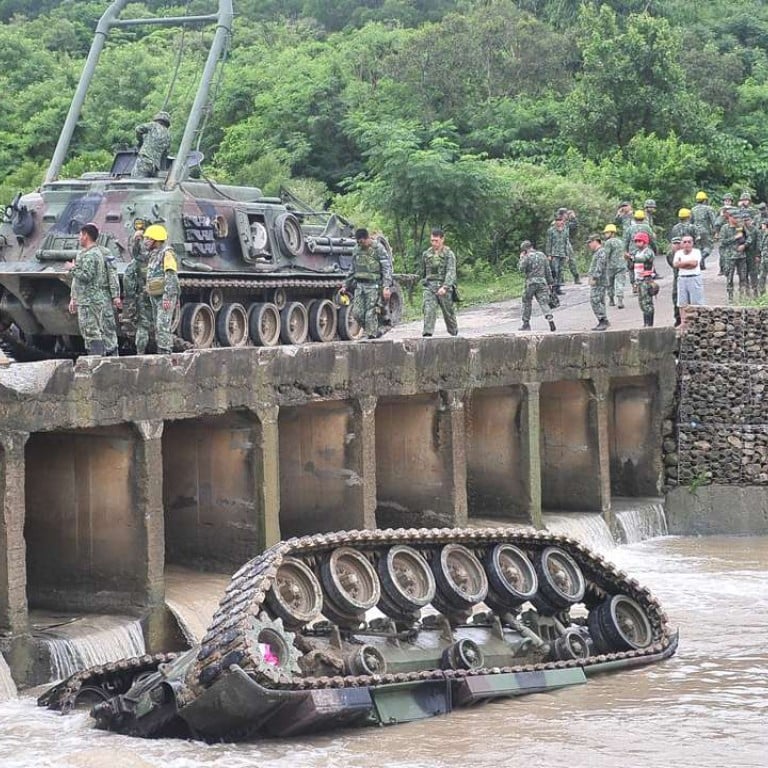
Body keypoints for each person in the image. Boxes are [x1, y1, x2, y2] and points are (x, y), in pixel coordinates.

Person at [65, 223, 109, 355]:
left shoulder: (91, 255)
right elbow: (78, 280)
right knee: (87, 332)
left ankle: (97, 361)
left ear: (86, 236)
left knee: (92, 332)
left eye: (80, 235)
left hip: (91, 300)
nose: (78, 238)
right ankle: (94, 360)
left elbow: (86, 276)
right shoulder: (85, 254)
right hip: (85, 300)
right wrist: (74, 298)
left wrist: (72, 268)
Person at [341, 228, 393, 340]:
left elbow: (386, 268)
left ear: (367, 238)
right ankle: (374, 330)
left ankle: (371, 336)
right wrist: (345, 284)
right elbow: (352, 269)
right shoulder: (357, 249)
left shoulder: (378, 248)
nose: (360, 244)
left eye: (362, 241)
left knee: (370, 314)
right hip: (360, 286)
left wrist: (386, 286)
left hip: (373, 286)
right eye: (358, 242)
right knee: (357, 313)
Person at [143, 224, 179, 354]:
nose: (145, 241)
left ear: (156, 240)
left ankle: (165, 353)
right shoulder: (153, 254)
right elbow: (138, 256)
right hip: (155, 295)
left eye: (148, 238)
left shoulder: (167, 254)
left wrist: (167, 297)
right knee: (157, 326)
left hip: (164, 296)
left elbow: (171, 276)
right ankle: (161, 351)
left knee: (162, 325)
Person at [419, 228, 458, 337]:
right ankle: (427, 333)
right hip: (430, 286)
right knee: (428, 309)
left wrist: (445, 287)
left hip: (444, 286)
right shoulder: (426, 254)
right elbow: (423, 271)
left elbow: (451, 271)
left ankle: (453, 333)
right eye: (432, 240)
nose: (434, 243)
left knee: (448, 313)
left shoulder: (449, 254)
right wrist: (424, 282)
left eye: (436, 240)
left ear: (442, 240)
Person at [123, 224, 153, 354]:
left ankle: (141, 352)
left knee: (143, 325)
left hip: (145, 295)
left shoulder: (143, 259)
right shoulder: (161, 255)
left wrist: (131, 295)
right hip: (153, 295)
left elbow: (128, 276)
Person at [518, 240, 556, 332]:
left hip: (530, 282)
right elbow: (548, 270)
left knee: (526, 301)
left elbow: (521, 269)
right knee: (543, 302)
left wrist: (521, 258)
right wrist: (550, 282)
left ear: (524, 249)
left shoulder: (527, 256)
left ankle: (526, 324)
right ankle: (549, 318)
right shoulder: (542, 255)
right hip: (542, 282)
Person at [719, 208, 751, 301]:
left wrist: (744, 245)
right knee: (730, 278)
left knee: (743, 277)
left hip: (741, 256)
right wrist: (734, 237)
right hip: (730, 257)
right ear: (730, 217)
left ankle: (742, 297)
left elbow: (749, 238)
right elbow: (722, 242)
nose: (737, 219)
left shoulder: (741, 227)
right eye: (735, 218)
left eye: (738, 218)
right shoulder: (725, 228)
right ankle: (730, 298)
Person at [545, 214, 578, 294]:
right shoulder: (551, 230)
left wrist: (567, 255)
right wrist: (549, 254)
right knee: (554, 271)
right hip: (554, 254)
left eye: (561, 221)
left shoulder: (565, 230)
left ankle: (558, 288)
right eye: (558, 221)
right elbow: (549, 243)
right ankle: (552, 288)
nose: (559, 223)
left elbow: (566, 243)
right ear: (555, 222)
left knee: (560, 271)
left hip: (562, 254)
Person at [132, 111, 171, 178]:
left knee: (135, 183)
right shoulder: (168, 135)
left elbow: (138, 129)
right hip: (155, 166)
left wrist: (140, 142)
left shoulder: (153, 125)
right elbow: (165, 154)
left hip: (144, 160)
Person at [631, 231, 657, 327]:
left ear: (645, 242)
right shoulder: (637, 252)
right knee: (641, 302)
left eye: (639, 241)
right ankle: (645, 323)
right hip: (639, 279)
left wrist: (632, 258)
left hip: (647, 279)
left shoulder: (648, 252)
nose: (637, 243)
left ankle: (649, 324)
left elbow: (643, 259)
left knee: (647, 303)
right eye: (636, 241)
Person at [673, 235, 705, 311]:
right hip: (682, 278)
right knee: (682, 303)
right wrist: (688, 263)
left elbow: (694, 264)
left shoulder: (696, 252)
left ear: (692, 243)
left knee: (697, 303)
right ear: (681, 244)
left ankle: (697, 320)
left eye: (689, 242)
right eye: (684, 242)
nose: (687, 244)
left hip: (694, 278)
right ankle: (683, 321)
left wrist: (682, 263)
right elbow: (675, 264)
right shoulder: (678, 253)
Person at [586, 233, 609, 330]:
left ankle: (602, 320)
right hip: (599, 280)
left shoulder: (601, 252)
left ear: (596, 241)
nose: (589, 245)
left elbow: (600, 266)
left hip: (599, 281)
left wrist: (594, 277)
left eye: (590, 242)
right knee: (599, 300)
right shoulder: (598, 252)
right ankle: (603, 320)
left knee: (595, 300)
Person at [603, 224, 626, 309]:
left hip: (611, 266)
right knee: (620, 283)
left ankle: (611, 300)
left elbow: (606, 255)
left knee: (610, 283)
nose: (605, 234)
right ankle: (620, 300)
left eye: (607, 233)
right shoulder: (620, 241)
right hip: (621, 265)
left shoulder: (608, 242)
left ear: (612, 233)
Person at [691, 191, 716, 270]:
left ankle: (701, 265)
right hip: (705, 231)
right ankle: (701, 258)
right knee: (709, 247)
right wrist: (715, 231)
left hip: (695, 230)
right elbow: (713, 221)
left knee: (699, 247)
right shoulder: (709, 209)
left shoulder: (693, 209)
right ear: (705, 200)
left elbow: (691, 221)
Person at [666, 236, 683, 326]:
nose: (677, 245)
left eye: (678, 243)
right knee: (675, 298)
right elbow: (672, 265)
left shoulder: (686, 253)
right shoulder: (670, 254)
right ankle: (678, 318)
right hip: (676, 278)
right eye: (675, 244)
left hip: (685, 277)